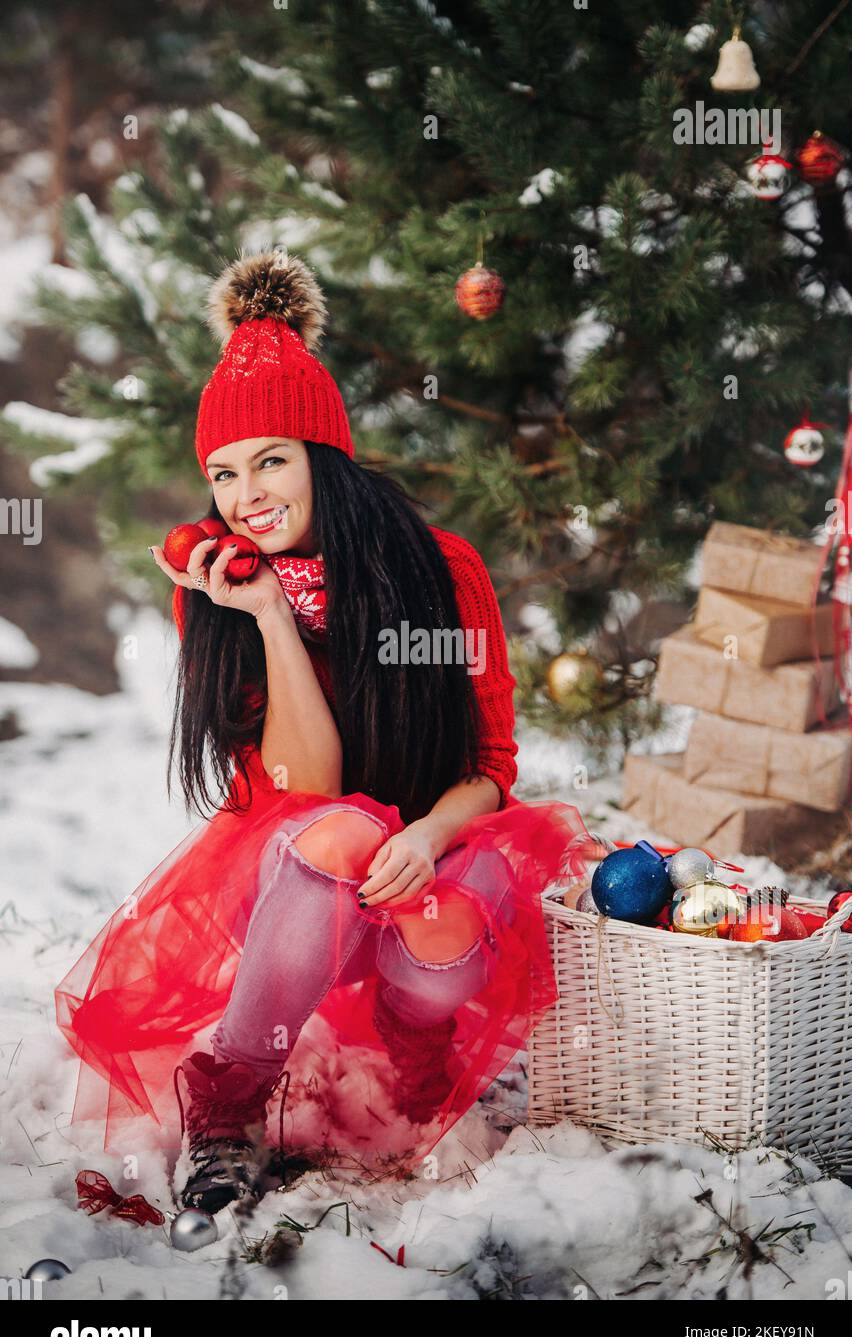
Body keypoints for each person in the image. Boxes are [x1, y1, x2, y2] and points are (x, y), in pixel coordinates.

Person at [55, 249, 591, 1213]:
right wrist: (265, 615)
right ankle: (231, 1105)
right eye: (223, 472)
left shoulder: (441, 571)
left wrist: (426, 837)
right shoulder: (222, 589)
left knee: (448, 923)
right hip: (296, 874)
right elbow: (303, 788)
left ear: (323, 461)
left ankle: (404, 1049)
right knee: (335, 829)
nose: (246, 495)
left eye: (271, 460)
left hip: (425, 861)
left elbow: (490, 765)